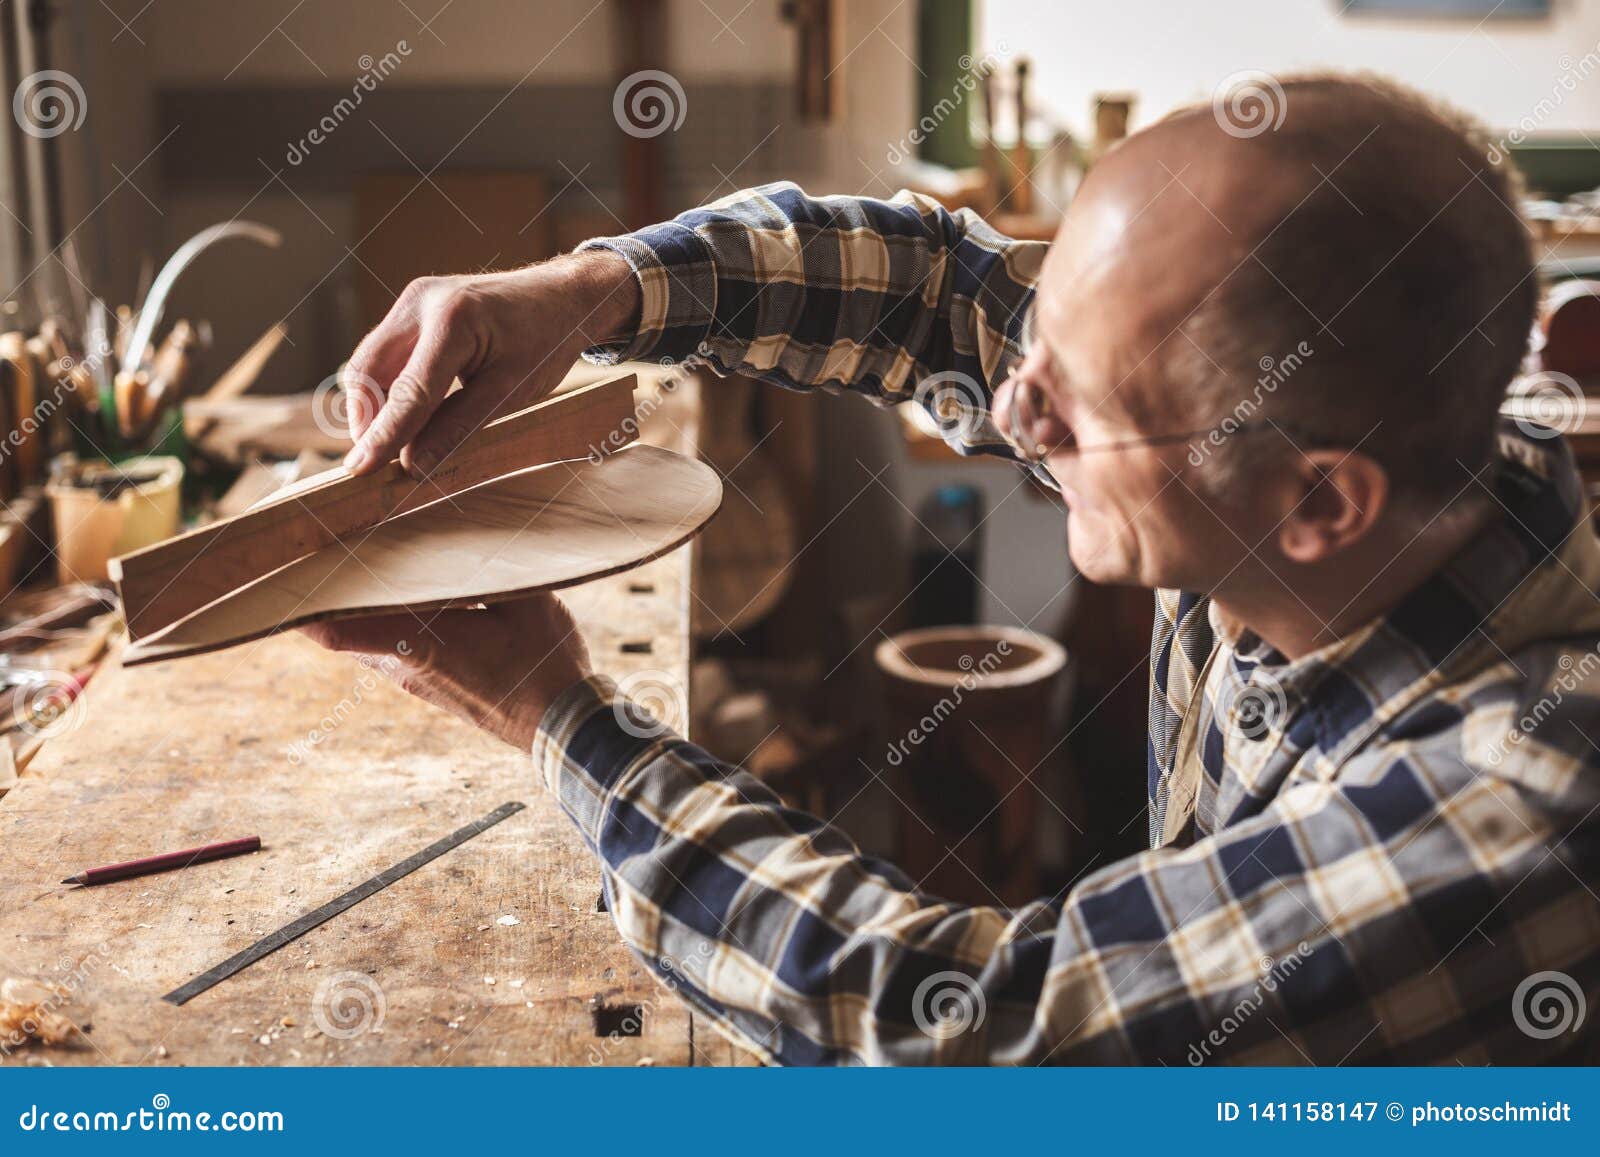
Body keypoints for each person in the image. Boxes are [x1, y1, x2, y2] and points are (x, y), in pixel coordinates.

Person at [305, 74, 1600, 1064]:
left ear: (1318, 502)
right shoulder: (1375, 461)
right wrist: (593, 295)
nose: (1013, 414)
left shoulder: (1514, 818)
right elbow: (938, 295)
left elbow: (974, 1033)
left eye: (1078, 408)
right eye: (1039, 362)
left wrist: (554, 713)